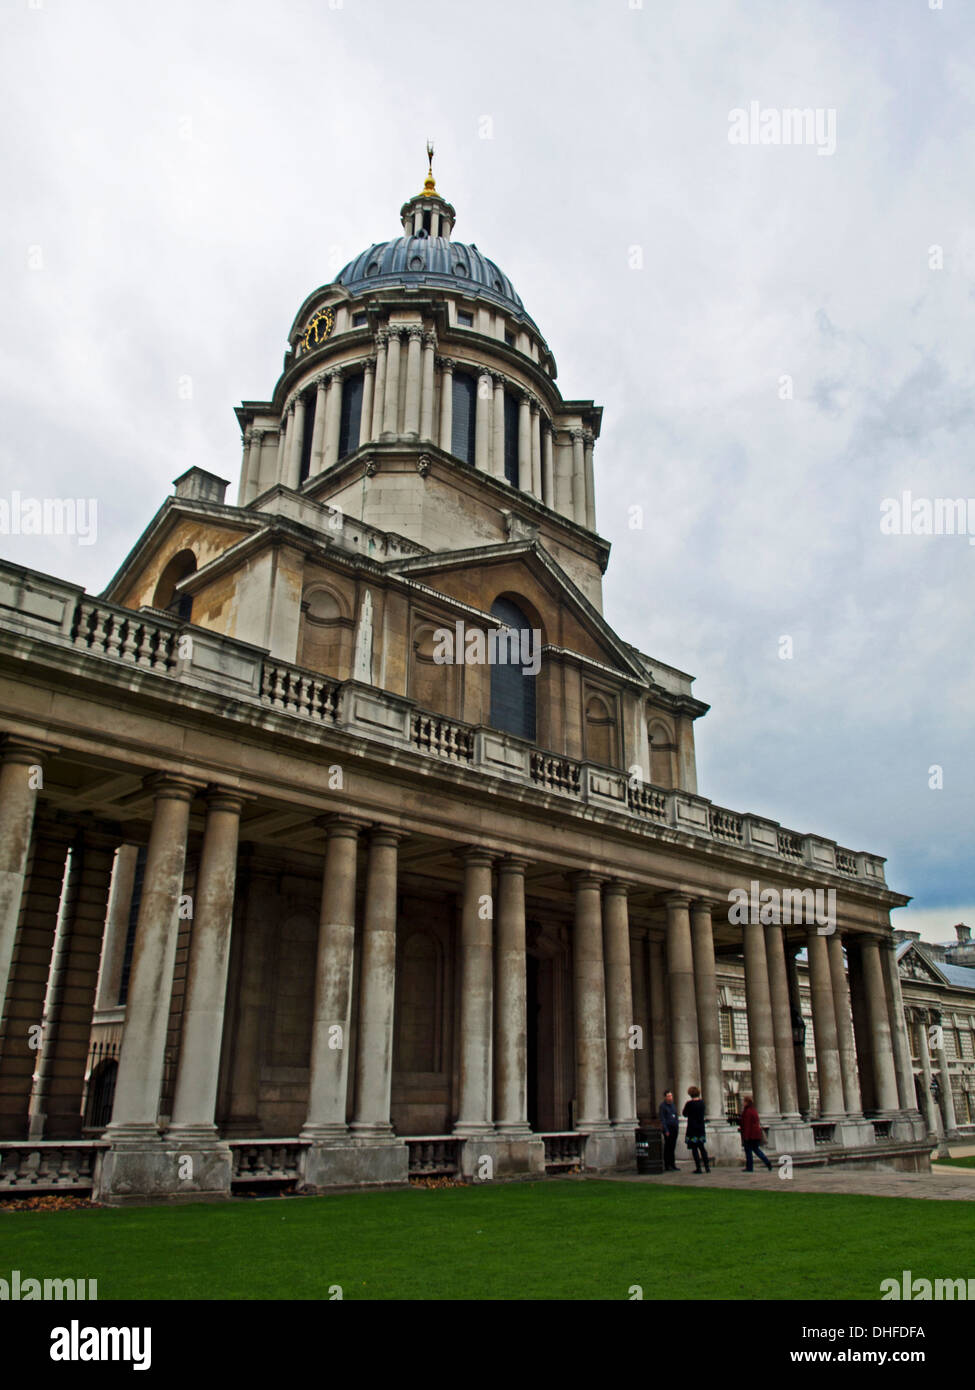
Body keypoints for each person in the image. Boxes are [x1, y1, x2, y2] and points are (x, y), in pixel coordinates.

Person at [739, 1094, 773, 1172]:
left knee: (748, 1152)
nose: (743, 1103)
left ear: (747, 1102)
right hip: (755, 1135)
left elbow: (747, 1125)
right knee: (756, 1150)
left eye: (744, 1101)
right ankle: (767, 1162)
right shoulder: (753, 1110)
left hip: (750, 1135)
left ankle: (750, 1167)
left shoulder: (747, 1112)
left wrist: (746, 1137)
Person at [682, 1085, 710, 1173]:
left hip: (692, 1128)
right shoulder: (702, 1103)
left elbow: (684, 1114)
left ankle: (698, 1168)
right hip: (701, 1128)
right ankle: (707, 1167)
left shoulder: (689, 1104)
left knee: (694, 1148)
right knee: (702, 1147)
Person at [658, 1090, 679, 1170]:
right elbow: (662, 1119)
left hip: (674, 1128)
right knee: (668, 1147)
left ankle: (672, 1164)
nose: (670, 1097)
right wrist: (666, 1130)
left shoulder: (673, 1105)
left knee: (673, 1147)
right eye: (668, 1096)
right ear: (665, 1097)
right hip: (668, 1128)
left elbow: (676, 1116)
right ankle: (667, 1165)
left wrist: (677, 1125)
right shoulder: (662, 1106)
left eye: (671, 1096)